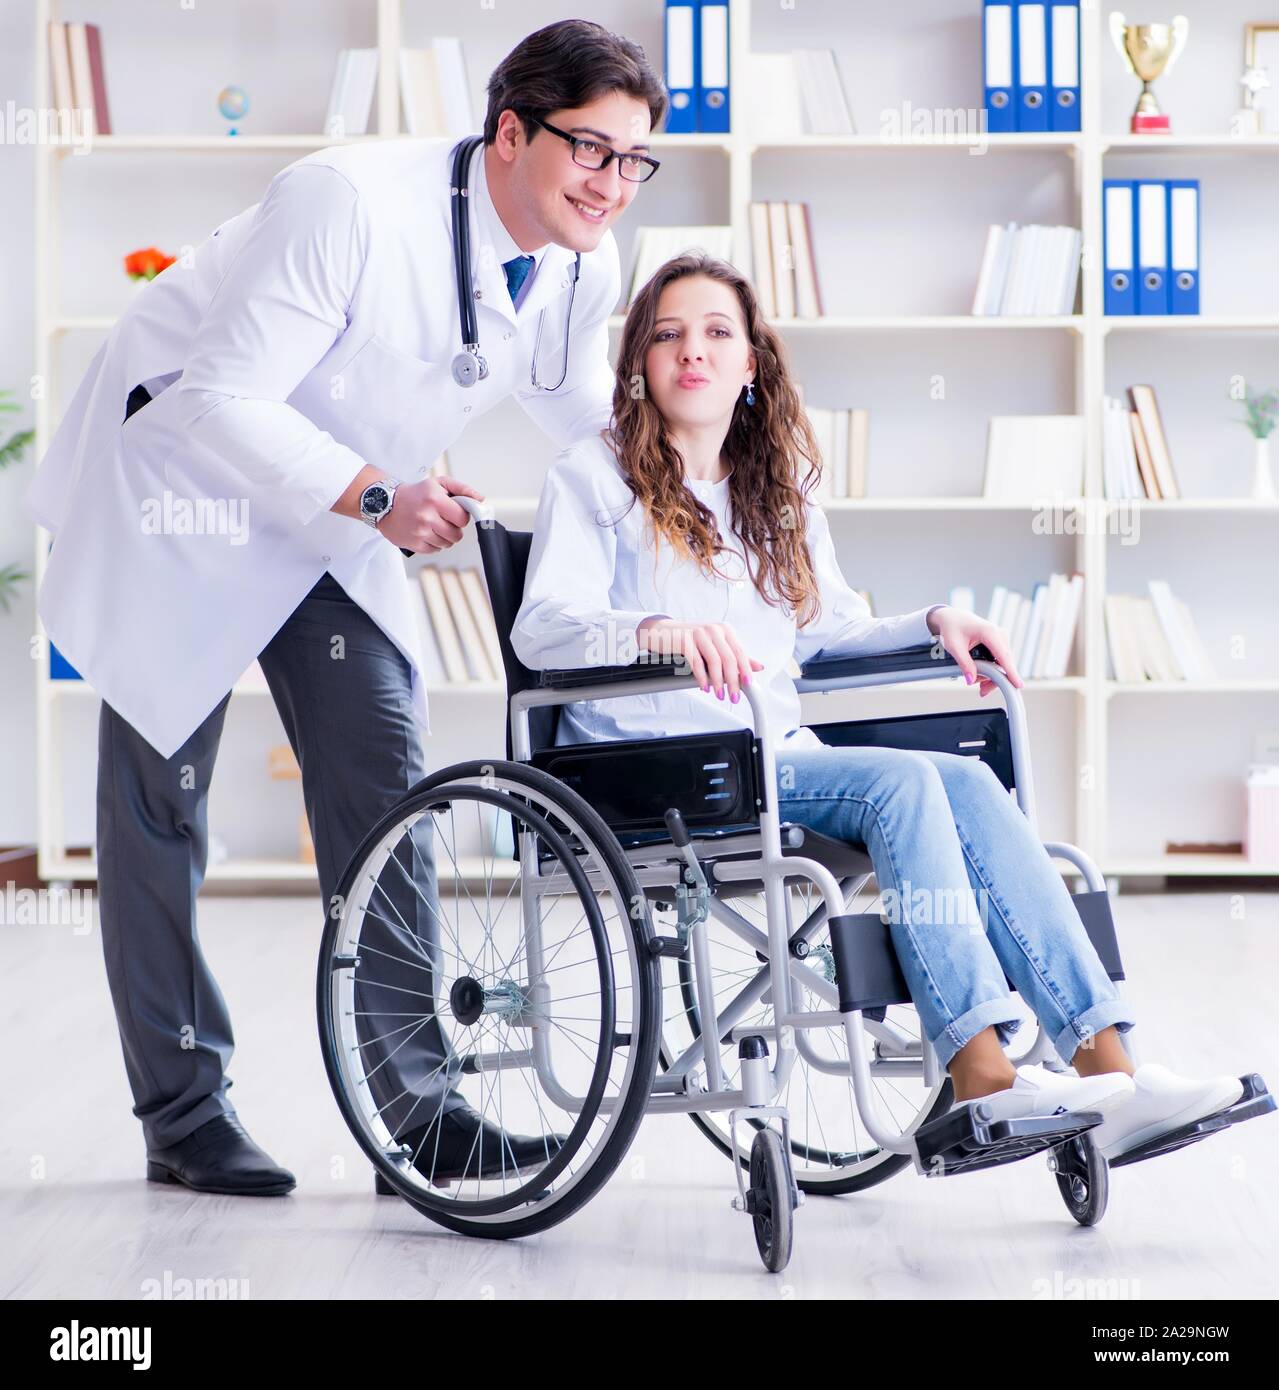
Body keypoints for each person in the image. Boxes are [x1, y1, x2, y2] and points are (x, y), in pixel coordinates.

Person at [25, 19, 668, 1195]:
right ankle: (182, 1111)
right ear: (510, 131)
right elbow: (222, 395)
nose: (612, 184)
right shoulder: (347, 204)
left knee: (386, 783)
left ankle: (413, 1114)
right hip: (186, 485)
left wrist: (707, 502)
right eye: (591, 150)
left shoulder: (586, 256)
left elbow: (579, 420)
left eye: (635, 161)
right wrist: (376, 493)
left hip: (339, 508)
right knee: (160, 810)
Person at [511, 252, 1246, 1159]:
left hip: (772, 758)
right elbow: (542, 630)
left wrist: (934, 622)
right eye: (666, 334)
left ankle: (1109, 1064)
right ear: (639, 364)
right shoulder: (594, 477)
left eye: (714, 333)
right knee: (899, 787)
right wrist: (658, 629)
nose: (690, 351)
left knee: (965, 781)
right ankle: (980, 1070)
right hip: (652, 769)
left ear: (751, 365)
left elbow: (827, 633)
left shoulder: (773, 495)